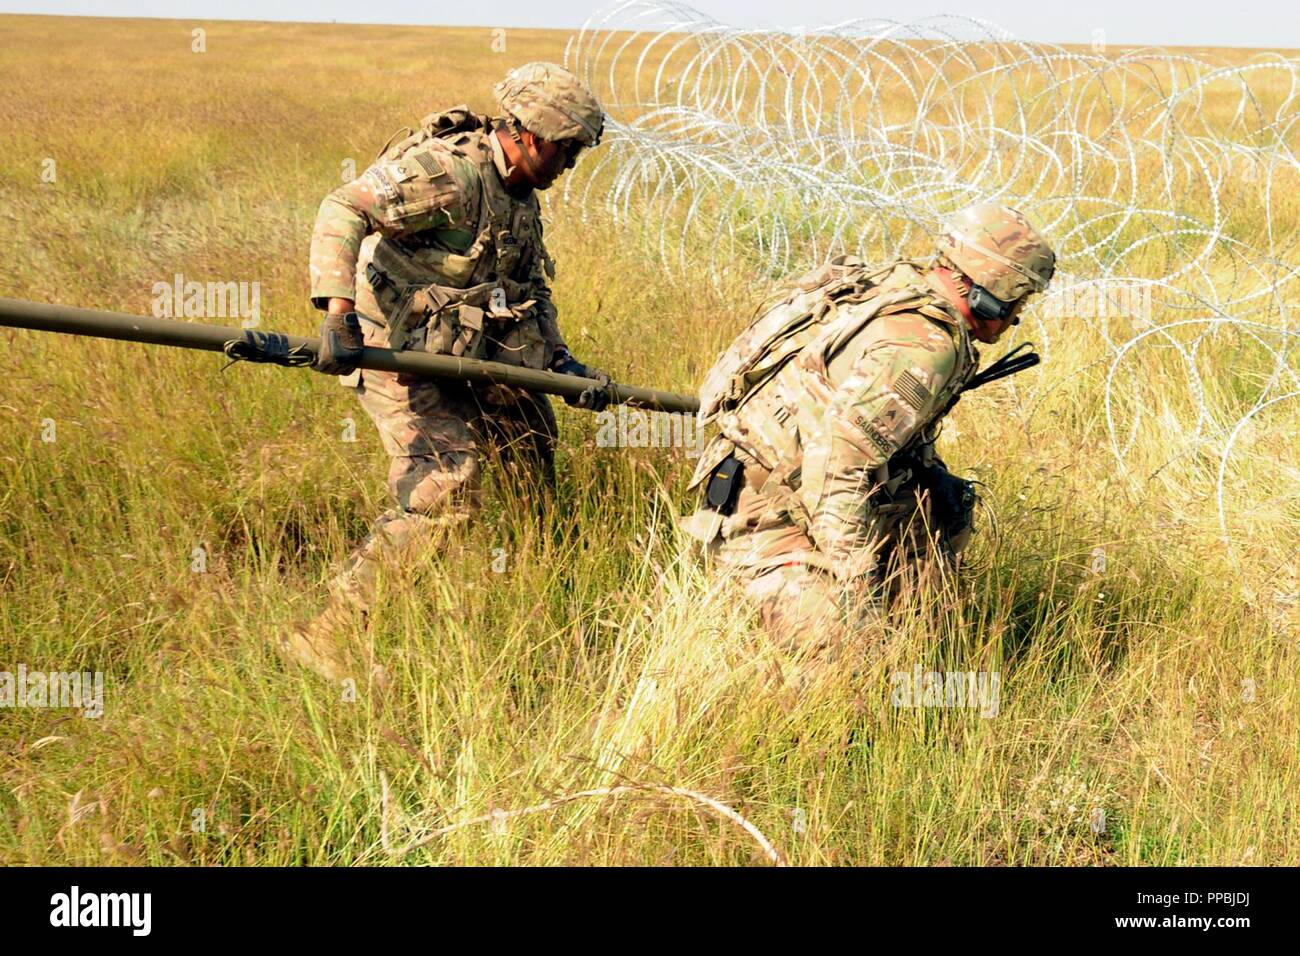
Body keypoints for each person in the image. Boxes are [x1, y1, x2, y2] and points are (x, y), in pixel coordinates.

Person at [282, 62, 611, 684]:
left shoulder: (520, 199)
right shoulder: (449, 175)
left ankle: (518, 603)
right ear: (533, 135)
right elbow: (343, 206)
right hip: (392, 346)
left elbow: (528, 290)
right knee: (448, 487)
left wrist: (561, 363)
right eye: (566, 151)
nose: (569, 166)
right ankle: (328, 637)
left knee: (530, 448)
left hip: (460, 342)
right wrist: (338, 313)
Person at [681, 203, 1056, 657]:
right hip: (768, 506)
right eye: (1020, 297)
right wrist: (855, 583)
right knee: (846, 655)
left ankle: (918, 653)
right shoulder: (923, 346)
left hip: (773, 472)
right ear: (993, 291)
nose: (1018, 315)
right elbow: (838, 466)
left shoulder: (898, 284)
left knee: (935, 539)